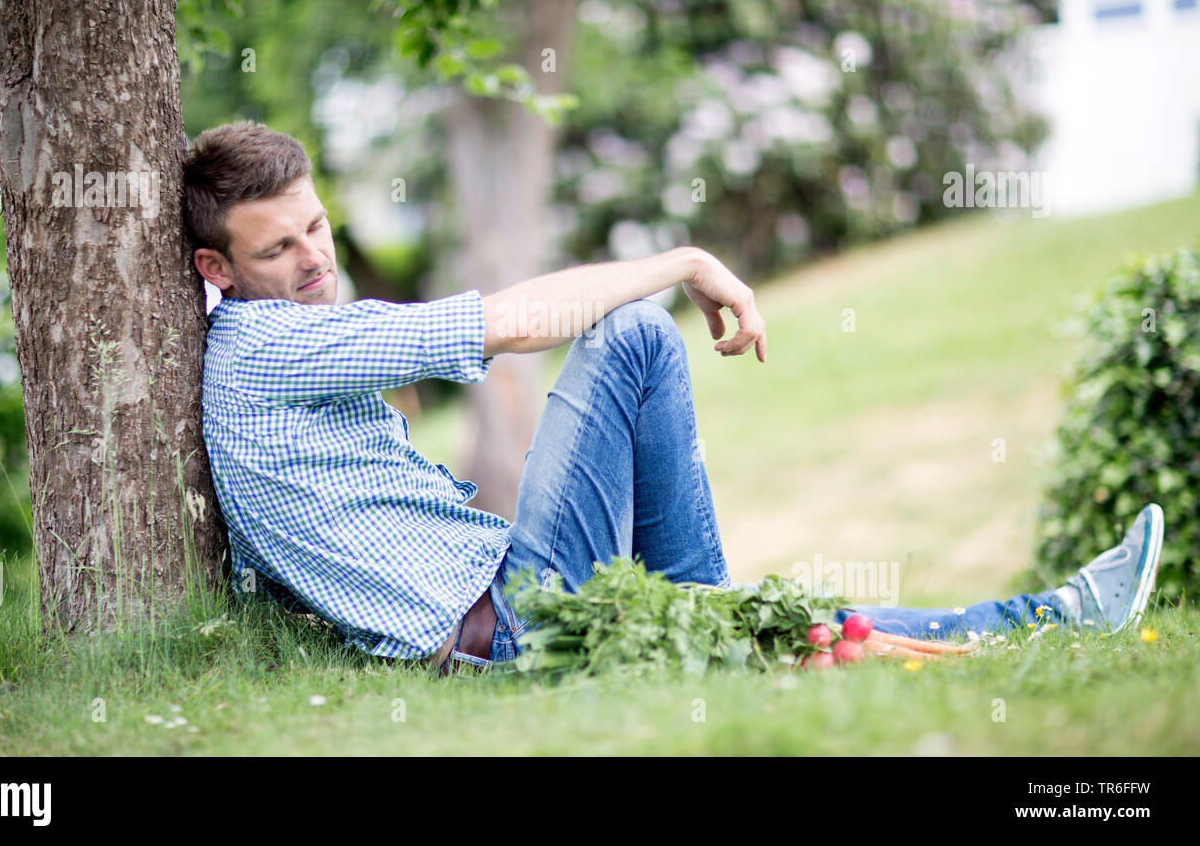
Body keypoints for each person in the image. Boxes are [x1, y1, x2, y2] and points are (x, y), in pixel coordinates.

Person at [183, 121, 1165, 676]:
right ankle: (724, 628)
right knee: (637, 331)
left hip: (503, 597)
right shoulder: (267, 346)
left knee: (768, 616)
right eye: (280, 248)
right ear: (214, 266)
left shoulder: (264, 343)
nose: (316, 258)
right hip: (511, 624)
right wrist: (689, 260)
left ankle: (1047, 611)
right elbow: (511, 322)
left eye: (316, 226)